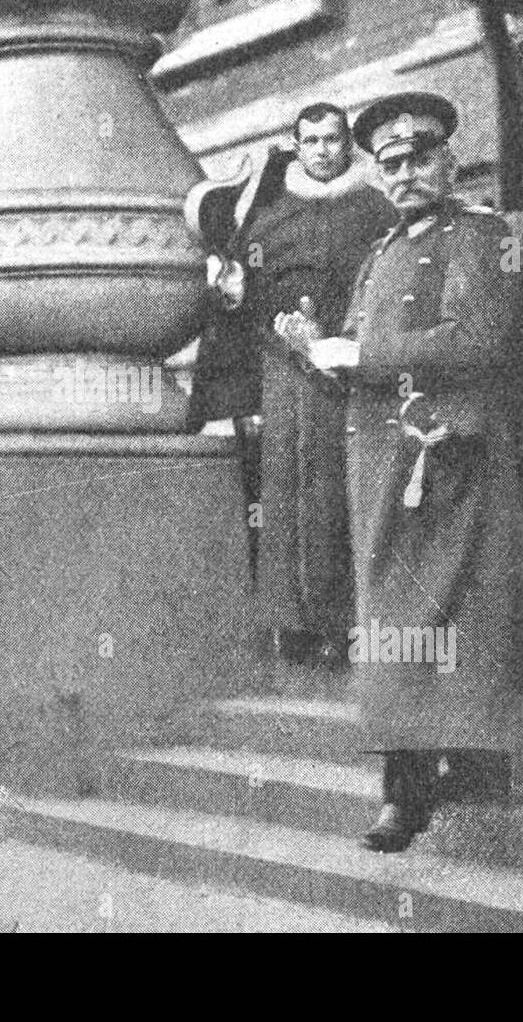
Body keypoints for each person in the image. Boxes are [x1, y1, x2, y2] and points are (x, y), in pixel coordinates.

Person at [277, 92, 523, 852]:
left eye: (418, 157)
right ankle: (414, 781)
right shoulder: (380, 251)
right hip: (384, 462)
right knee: (396, 626)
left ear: (448, 159)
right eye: (390, 162)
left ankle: (422, 787)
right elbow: (357, 352)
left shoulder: (476, 236)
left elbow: (475, 339)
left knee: (451, 620)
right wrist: (319, 346)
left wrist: (363, 356)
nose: (405, 172)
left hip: (448, 458)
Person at [190, 102, 397, 667]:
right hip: (283, 372)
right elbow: (243, 283)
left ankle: (342, 624)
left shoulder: (375, 206)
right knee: (283, 495)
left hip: (345, 371)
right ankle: (290, 624)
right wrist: (234, 292)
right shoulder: (272, 211)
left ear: (348, 145)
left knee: (337, 494)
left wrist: (337, 340)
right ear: (297, 145)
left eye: (333, 140)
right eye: (311, 141)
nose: (322, 151)